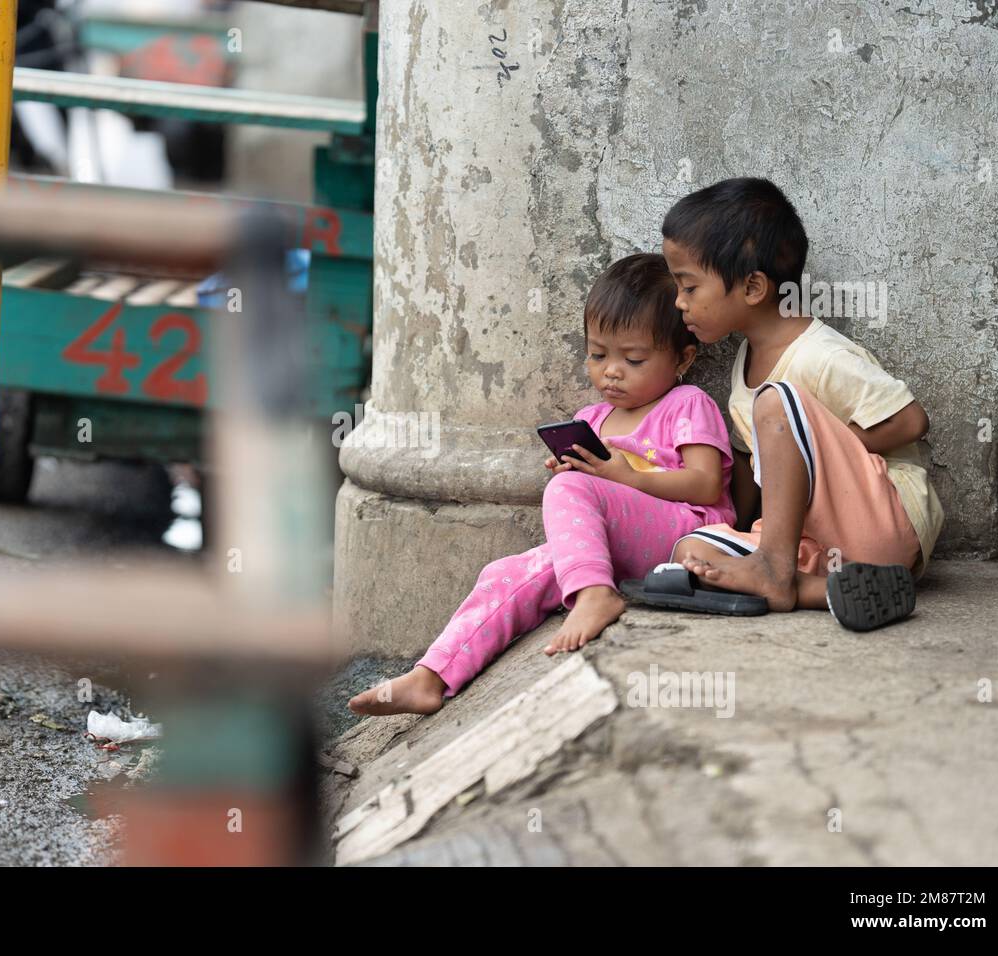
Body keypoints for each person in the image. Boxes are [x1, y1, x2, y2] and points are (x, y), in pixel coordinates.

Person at [348, 253, 737, 717]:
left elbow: (707, 484)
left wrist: (622, 477)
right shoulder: (592, 419)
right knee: (510, 574)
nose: (611, 371)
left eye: (633, 358)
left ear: (683, 358)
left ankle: (594, 595)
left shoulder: (685, 403)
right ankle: (432, 675)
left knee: (569, 494)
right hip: (620, 546)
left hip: (685, 537)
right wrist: (573, 473)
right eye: (597, 355)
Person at [662, 177, 943, 628]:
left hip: (881, 519)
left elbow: (911, 421)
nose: (679, 302)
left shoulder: (819, 354)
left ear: (753, 288)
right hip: (823, 547)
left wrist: (812, 451)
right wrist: (737, 526)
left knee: (777, 405)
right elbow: (756, 466)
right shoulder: (745, 360)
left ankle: (774, 572)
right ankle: (817, 588)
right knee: (690, 552)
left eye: (689, 287)